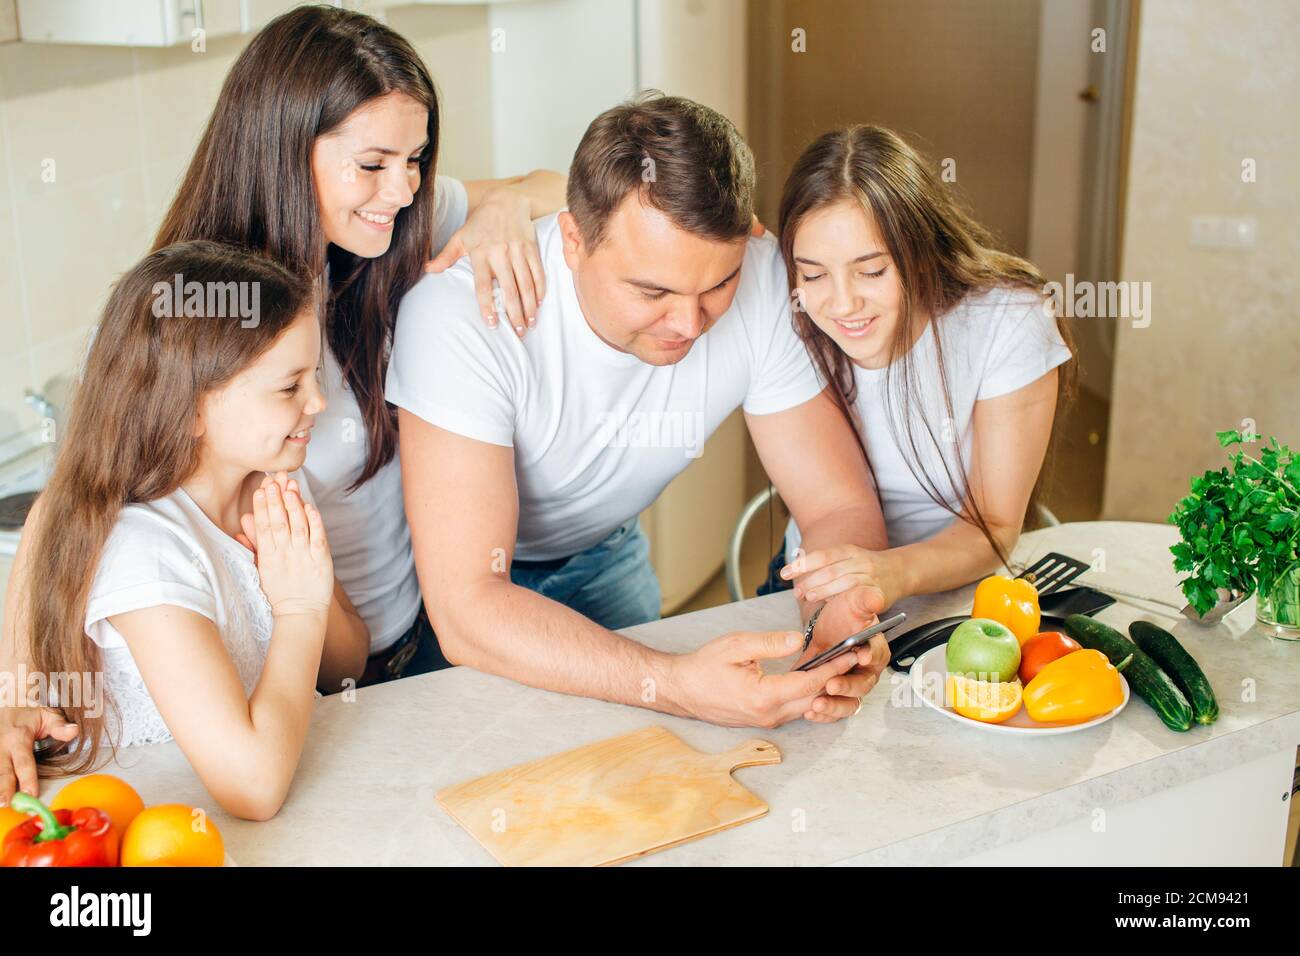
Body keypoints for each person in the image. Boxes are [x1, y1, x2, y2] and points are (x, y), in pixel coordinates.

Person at [0, 4, 566, 805]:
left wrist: (504, 206)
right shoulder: (195, 316)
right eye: (373, 164)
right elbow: (72, 502)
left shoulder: (392, 223)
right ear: (283, 149)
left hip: (408, 637)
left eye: (417, 158)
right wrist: (16, 690)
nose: (403, 190)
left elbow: (563, 183)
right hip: (303, 675)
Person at [389, 94, 895, 730]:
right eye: (652, 291)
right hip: (466, 583)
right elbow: (468, 608)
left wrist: (843, 618)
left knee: (647, 762)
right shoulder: (461, 314)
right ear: (573, 239)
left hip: (608, 552)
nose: (688, 324)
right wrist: (676, 683)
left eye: (717, 285)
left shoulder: (766, 279)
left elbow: (834, 505)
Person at [13, 240, 358, 820]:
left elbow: (348, 666)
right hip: (165, 836)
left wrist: (308, 589)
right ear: (191, 409)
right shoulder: (144, 549)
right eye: (289, 386)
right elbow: (253, 789)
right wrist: (297, 609)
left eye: (314, 376)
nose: (318, 402)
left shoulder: (269, 480)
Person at [769, 125, 1075, 606]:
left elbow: (993, 523)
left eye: (871, 271)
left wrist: (890, 572)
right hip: (825, 581)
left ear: (923, 254)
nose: (843, 303)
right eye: (813, 273)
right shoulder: (786, 316)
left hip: (957, 583)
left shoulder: (1007, 320)